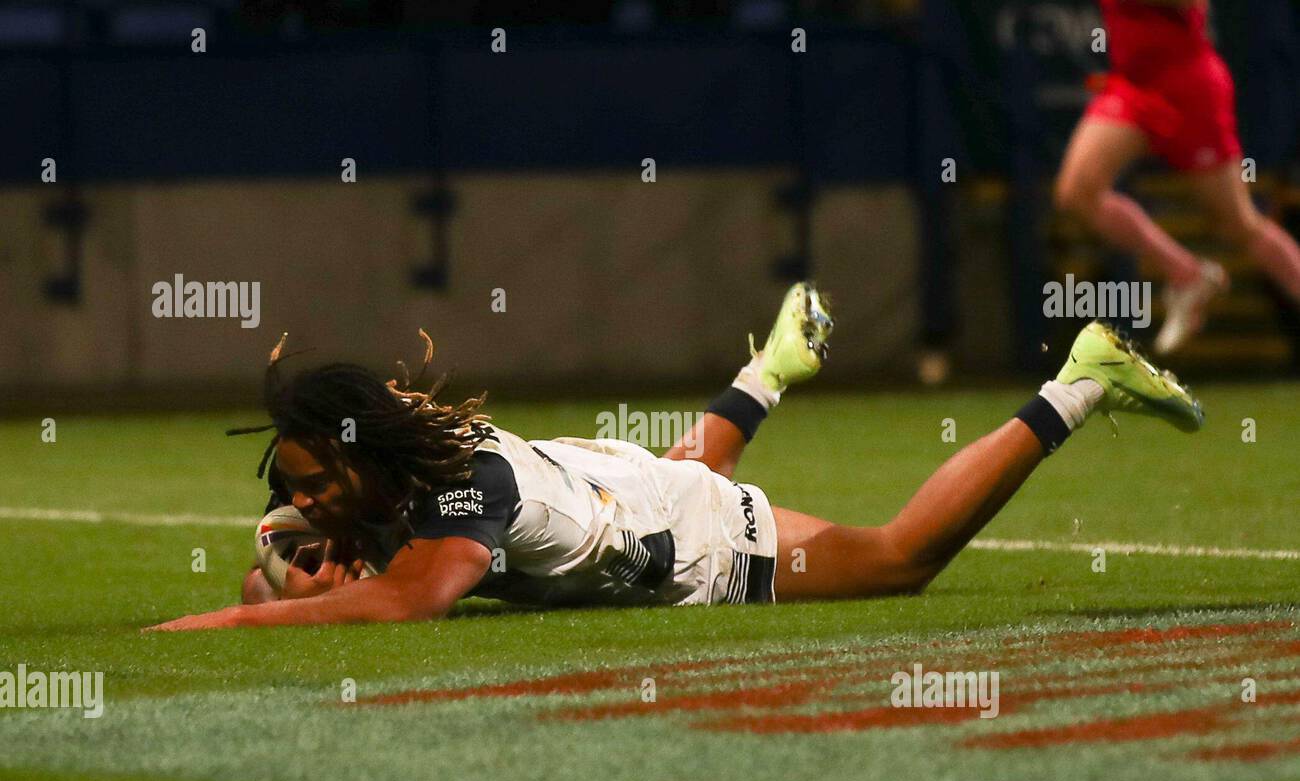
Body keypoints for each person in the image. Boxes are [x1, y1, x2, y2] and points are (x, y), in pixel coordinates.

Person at [149, 282, 1203, 631]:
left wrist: (236, 613)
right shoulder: (386, 478)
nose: (298, 496)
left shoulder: (463, 489)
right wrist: (281, 566)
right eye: (290, 481)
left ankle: (1079, 378)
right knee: (661, 476)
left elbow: (409, 600)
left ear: (364, 456)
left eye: (311, 475)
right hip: (612, 481)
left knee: (896, 560)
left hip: (695, 546)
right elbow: (301, 562)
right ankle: (774, 365)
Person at [1054, 0, 1300, 353]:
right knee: (1077, 192)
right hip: (1133, 85)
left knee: (1239, 223)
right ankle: (1186, 273)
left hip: (1188, 87)